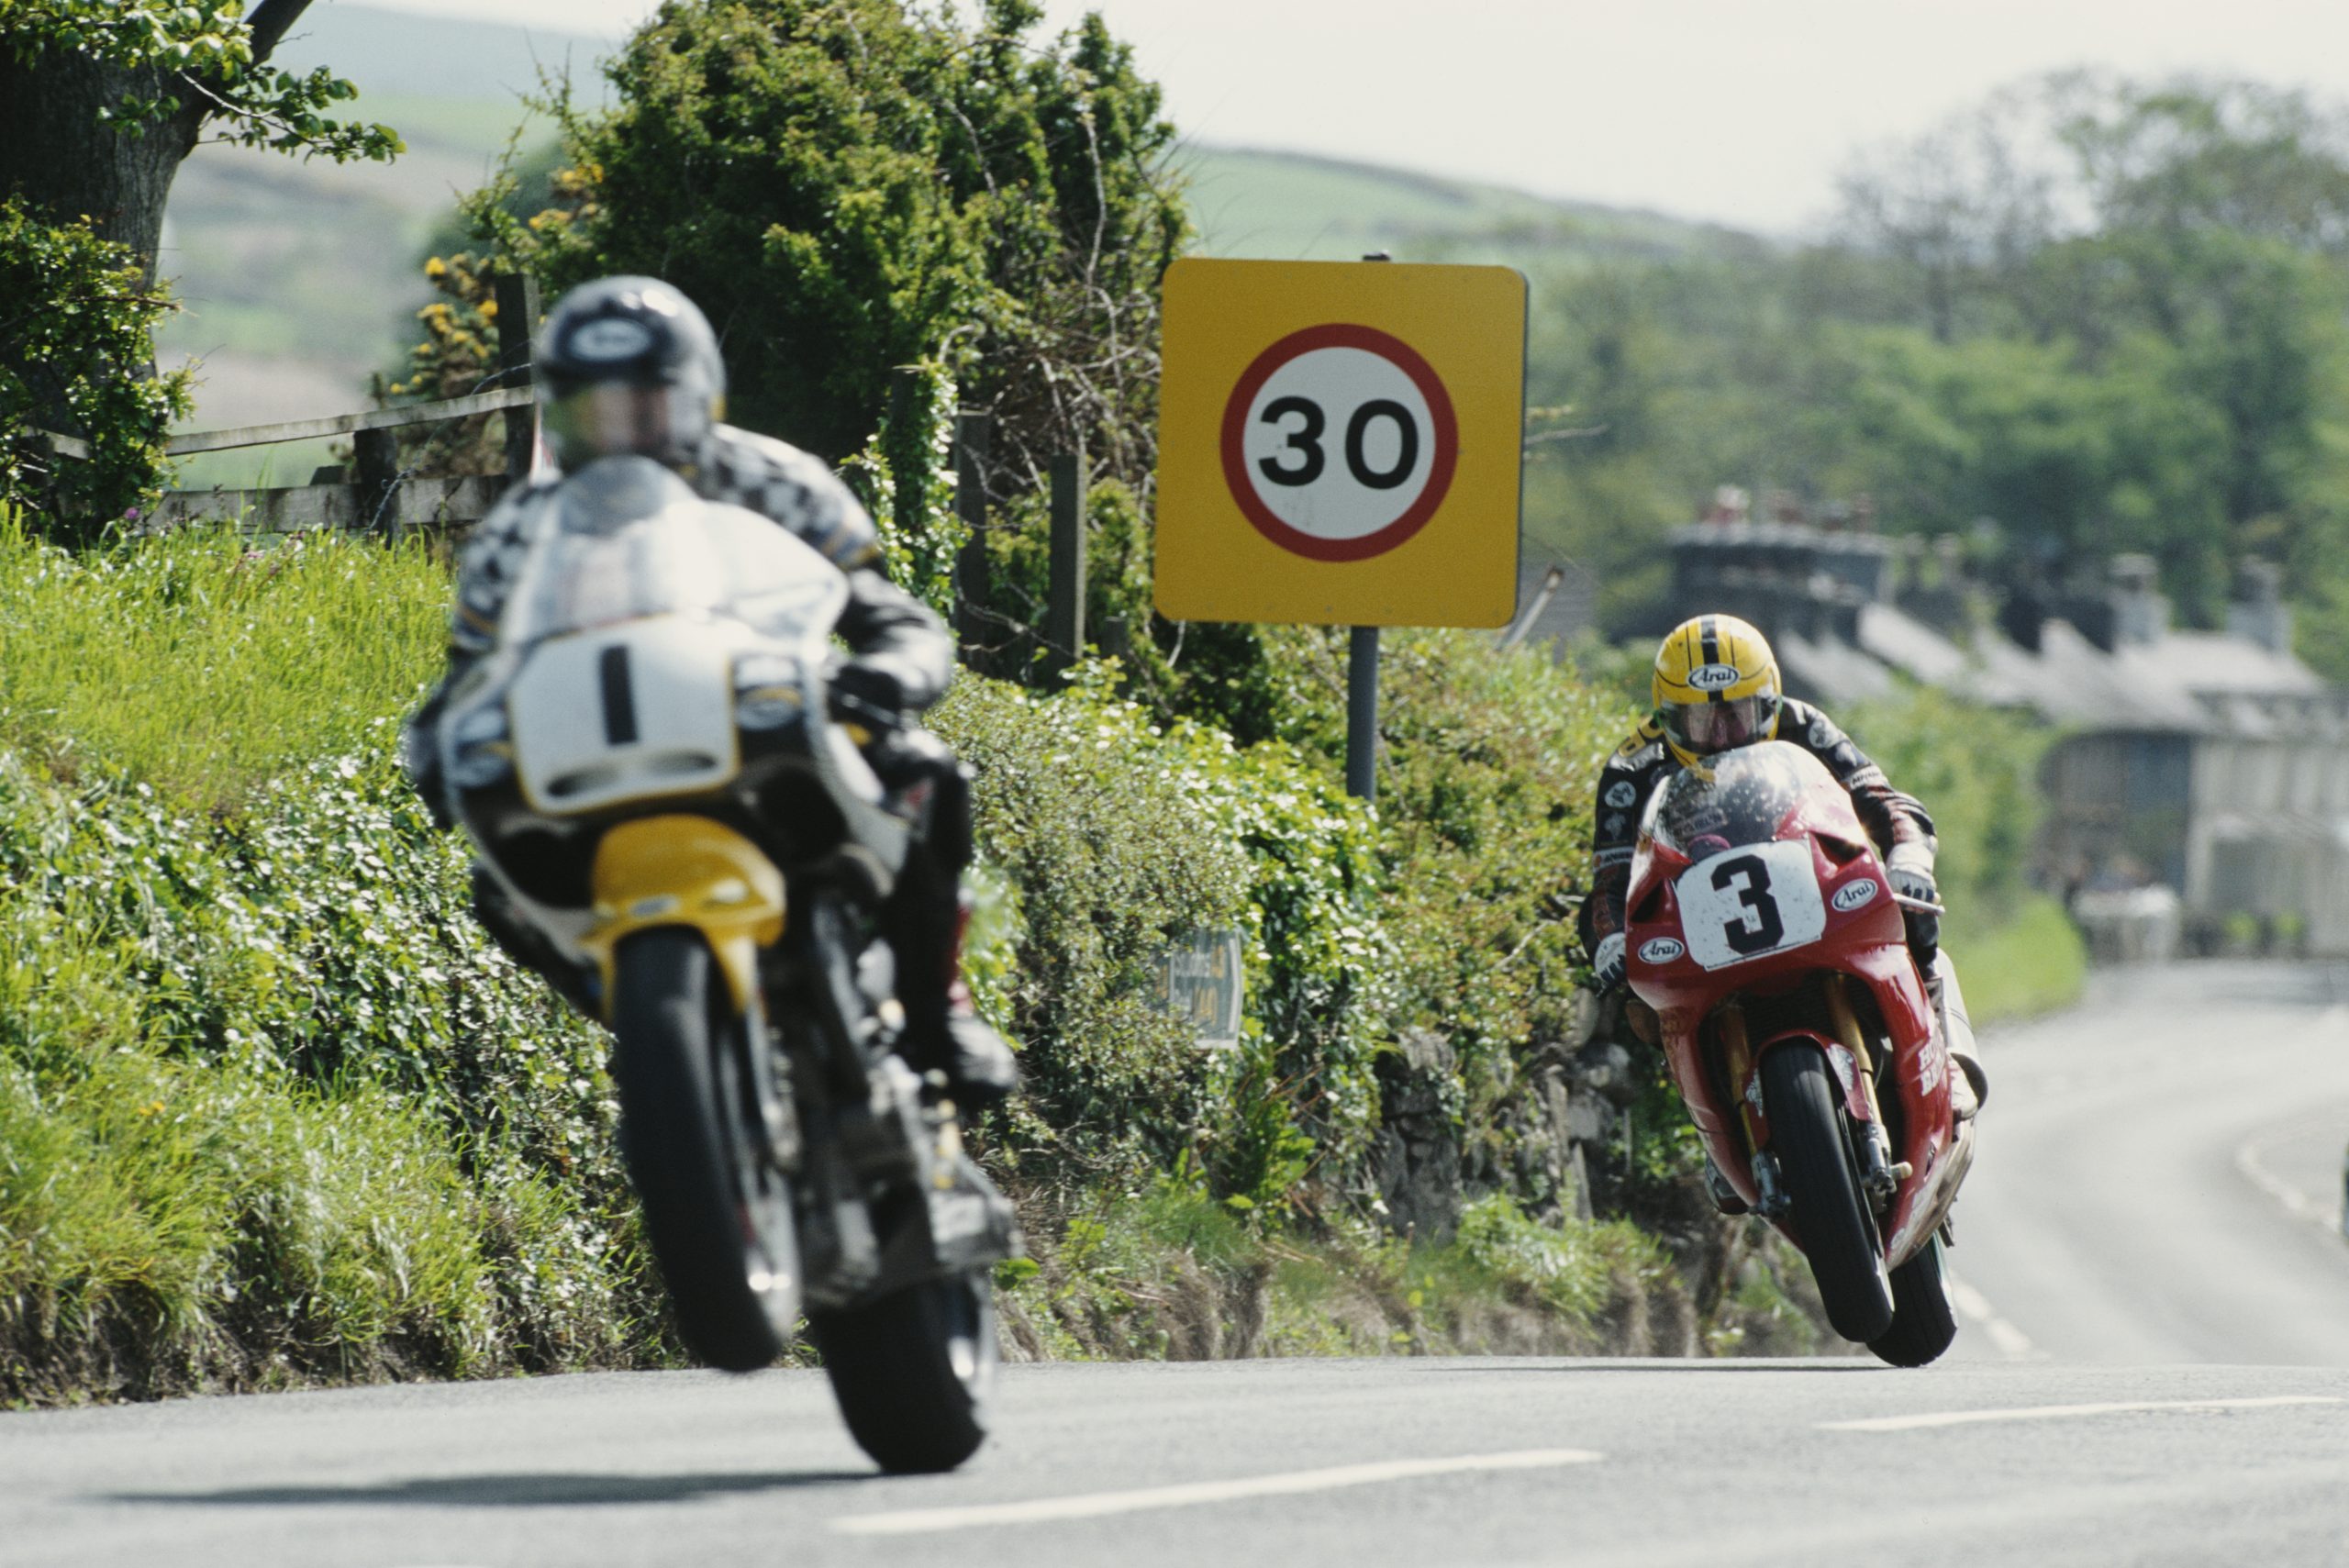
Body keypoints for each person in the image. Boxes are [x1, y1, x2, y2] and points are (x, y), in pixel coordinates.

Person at [405, 275, 1018, 1112]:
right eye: (595, 412)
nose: (620, 433)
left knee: (926, 772)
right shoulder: (521, 528)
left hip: (761, 716)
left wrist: (893, 669)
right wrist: (440, 749)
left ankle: (937, 1009)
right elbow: (470, 670)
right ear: (559, 414)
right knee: (494, 884)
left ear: (697, 400)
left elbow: (886, 610)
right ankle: (648, 1015)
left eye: (644, 408)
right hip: (601, 746)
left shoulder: (772, 477)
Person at [1582, 614, 1985, 1211]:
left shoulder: (1801, 723)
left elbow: (1884, 800)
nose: (1720, 733)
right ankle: (1712, 1124)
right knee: (1638, 1000)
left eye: (1737, 714)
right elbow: (1610, 880)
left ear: (1767, 700)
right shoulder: (1631, 768)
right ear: (1668, 716)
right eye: (1699, 718)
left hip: (1811, 883)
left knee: (1913, 912)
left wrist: (1908, 855)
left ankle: (1945, 1056)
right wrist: (1611, 939)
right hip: (1702, 918)